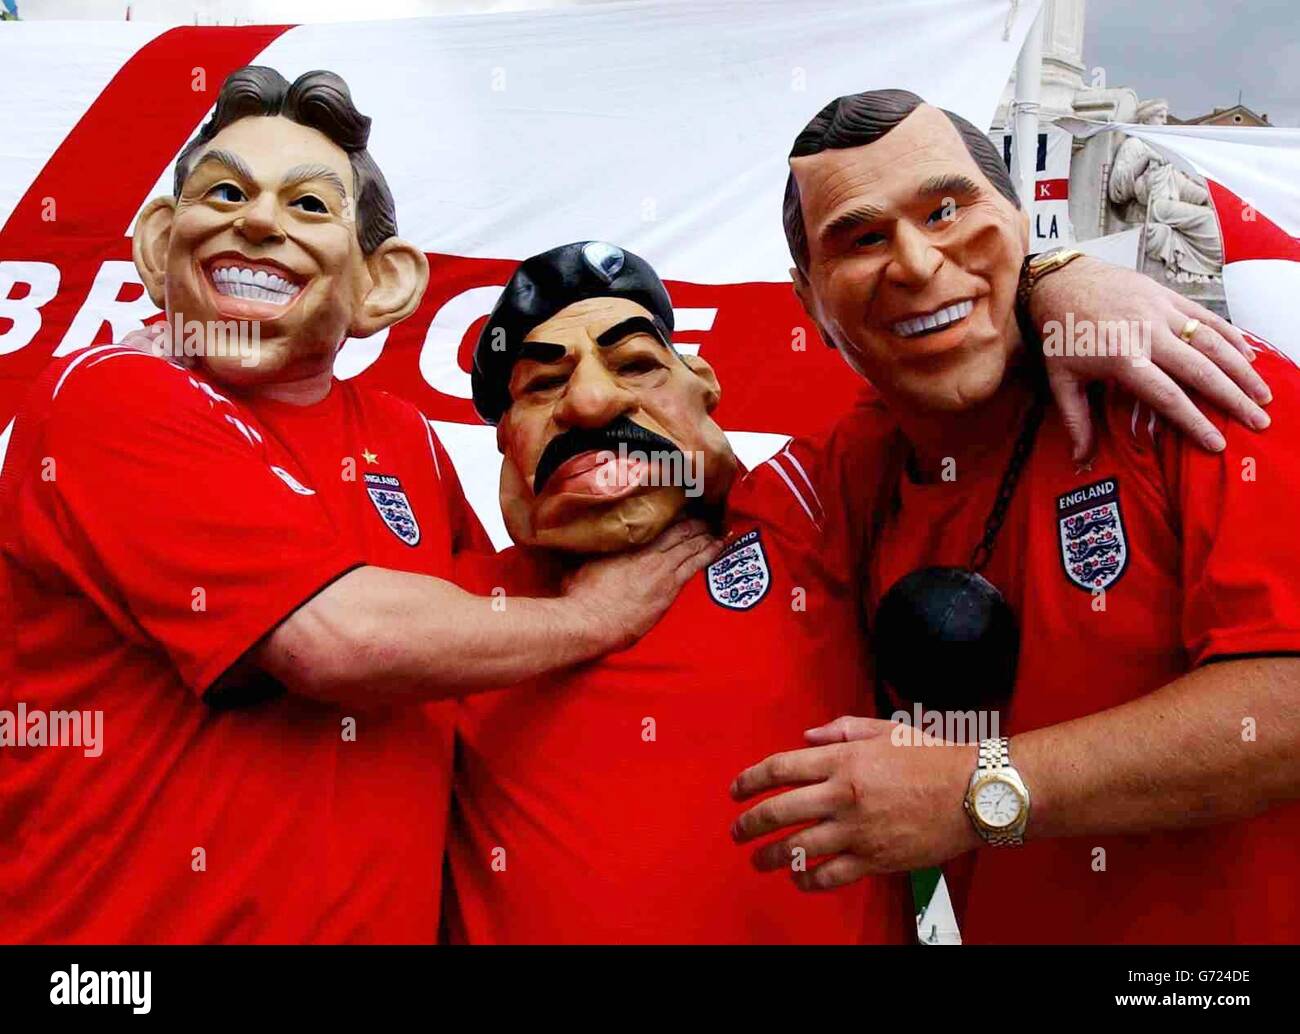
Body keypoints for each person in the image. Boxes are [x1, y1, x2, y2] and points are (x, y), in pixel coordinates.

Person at [0, 68, 715, 944]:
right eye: (224, 191)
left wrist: (680, 482)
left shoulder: (404, 439)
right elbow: (339, 641)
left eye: (308, 206)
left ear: (383, 284)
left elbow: (477, 623)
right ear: (157, 243)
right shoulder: (110, 396)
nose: (256, 222)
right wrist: (597, 616)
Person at [446, 238, 1270, 943]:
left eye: (633, 364)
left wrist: (1051, 278)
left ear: (704, 392)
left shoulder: (809, 507)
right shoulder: (439, 616)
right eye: (541, 388)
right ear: (505, 445)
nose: (592, 403)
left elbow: (947, 361)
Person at [730, 88, 1300, 943]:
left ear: (1020, 217)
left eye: (948, 209)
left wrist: (978, 790)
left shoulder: (1188, 381)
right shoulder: (846, 476)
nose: (918, 263)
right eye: (861, 237)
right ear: (808, 296)